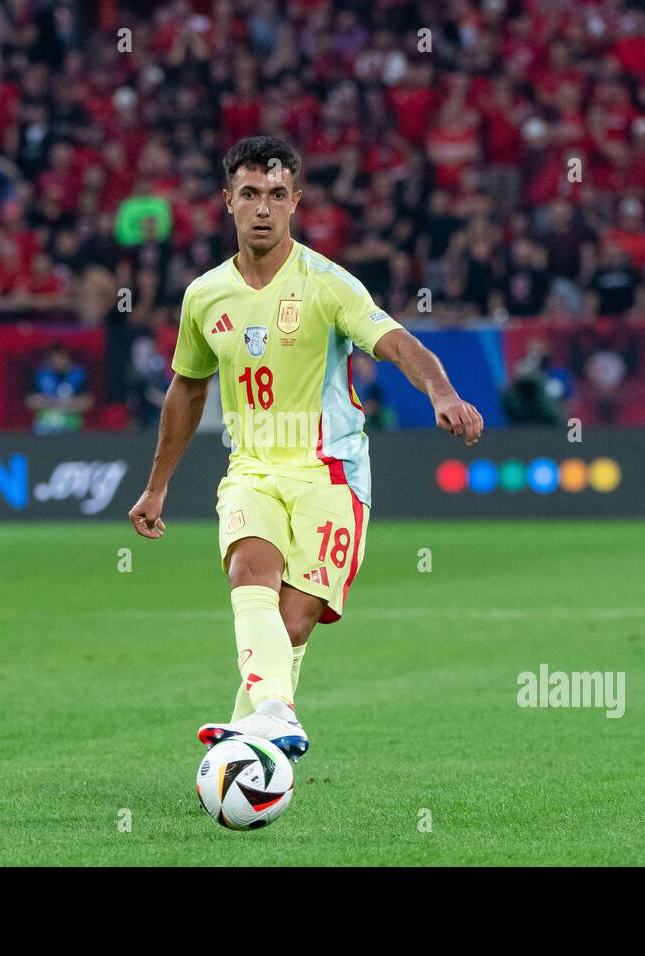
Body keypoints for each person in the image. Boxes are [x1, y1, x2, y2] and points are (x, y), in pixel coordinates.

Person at [126, 137, 483, 762]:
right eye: (249, 195)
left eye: (276, 196)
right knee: (248, 573)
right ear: (227, 202)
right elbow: (186, 390)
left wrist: (442, 392)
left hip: (330, 474)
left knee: (292, 625)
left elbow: (398, 343)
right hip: (252, 470)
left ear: (295, 202)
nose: (262, 208)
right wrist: (157, 486)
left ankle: (255, 731)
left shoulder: (328, 285)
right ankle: (270, 726)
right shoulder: (205, 296)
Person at [27, 345, 92, 434]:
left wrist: (51, 402)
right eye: (54, 358)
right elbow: (32, 402)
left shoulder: (79, 374)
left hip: (71, 425)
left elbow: (86, 403)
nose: (58, 361)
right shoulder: (41, 375)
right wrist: (67, 403)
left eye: (61, 357)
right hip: (45, 426)